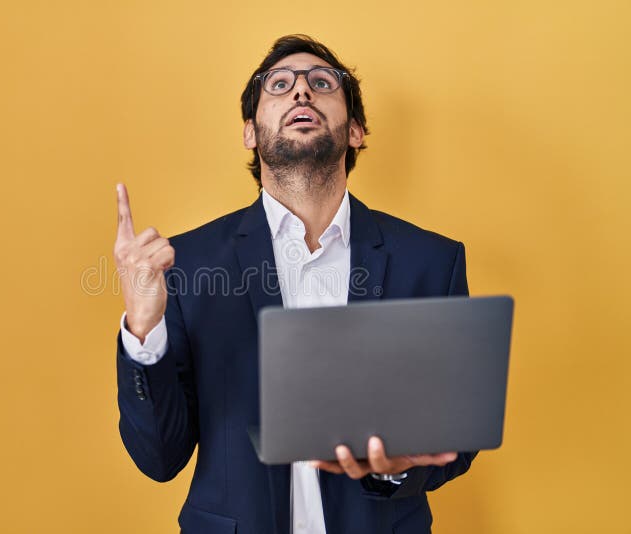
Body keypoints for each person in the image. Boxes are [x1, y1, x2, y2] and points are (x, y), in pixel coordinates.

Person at [113, 34, 477, 534]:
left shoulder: (431, 261)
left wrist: (404, 468)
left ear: (355, 130)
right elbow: (159, 457)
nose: (301, 92)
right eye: (279, 85)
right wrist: (142, 329)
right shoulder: (186, 264)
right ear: (250, 132)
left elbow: (456, 438)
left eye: (322, 83)